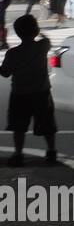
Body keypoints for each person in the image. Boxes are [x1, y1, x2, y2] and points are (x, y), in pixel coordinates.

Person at [0, 14, 58, 167]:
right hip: (42, 92)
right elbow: (45, 38)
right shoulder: (43, 46)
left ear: (18, 33)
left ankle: (18, 153)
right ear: (36, 30)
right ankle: (51, 151)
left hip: (20, 94)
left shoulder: (13, 53)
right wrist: (39, 32)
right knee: (47, 124)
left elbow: (5, 73)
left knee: (19, 126)